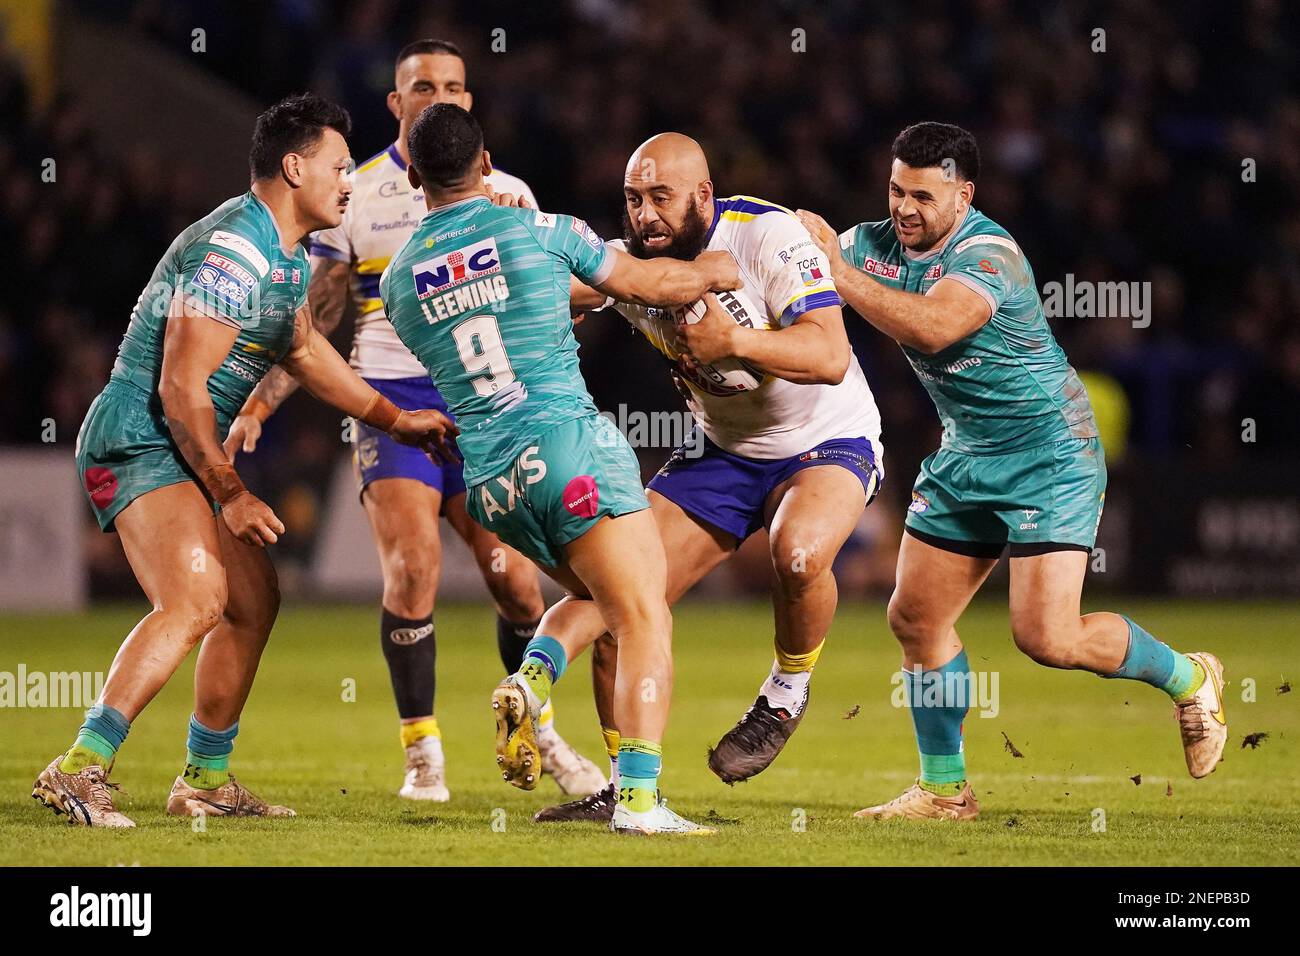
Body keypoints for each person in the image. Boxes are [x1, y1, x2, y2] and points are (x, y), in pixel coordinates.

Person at [33, 93, 457, 827]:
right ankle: (79, 767)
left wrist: (395, 419)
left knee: (252, 600)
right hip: (140, 435)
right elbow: (179, 386)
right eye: (337, 165)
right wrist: (229, 491)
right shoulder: (237, 249)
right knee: (196, 601)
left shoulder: (283, 255)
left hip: (173, 441)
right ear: (294, 167)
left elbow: (304, 352)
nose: (349, 179)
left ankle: (204, 778)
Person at [797, 121, 1226, 821]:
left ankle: (1190, 675)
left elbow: (934, 327)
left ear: (964, 196)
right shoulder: (866, 244)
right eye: (896, 190)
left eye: (924, 197)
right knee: (914, 617)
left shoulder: (991, 253)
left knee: (1046, 639)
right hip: (968, 450)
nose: (904, 208)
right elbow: (793, 266)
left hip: (1049, 453)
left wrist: (833, 273)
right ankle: (944, 791)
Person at [226, 39, 602, 802]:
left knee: (520, 590)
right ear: (395, 103)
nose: (440, 95)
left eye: (455, 85)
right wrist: (262, 402)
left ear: (469, 101)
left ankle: (536, 725)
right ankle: (423, 753)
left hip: (485, 415)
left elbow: (553, 301)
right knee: (413, 568)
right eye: (422, 84)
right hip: (394, 409)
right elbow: (319, 315)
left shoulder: (513, 194)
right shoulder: (352, 192)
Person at [382, 104, 742, 834]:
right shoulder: (544, 232)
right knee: (646, 618)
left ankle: (532, 680)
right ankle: (639, 803)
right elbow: (649, 285)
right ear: (486, 164)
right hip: (570, 447)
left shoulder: (395, 283)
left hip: (491, 482)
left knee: (602, 606)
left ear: (414, 174)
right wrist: (715, 267)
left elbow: (483, 320)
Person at [537, 133, 884, 823]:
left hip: (825, 436)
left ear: (703, 196)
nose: (646, 215)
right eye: (634, 199)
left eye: (661, 197)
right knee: (621, 601)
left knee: (800, 552)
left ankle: (787, 687)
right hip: (724, 450)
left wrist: (738, 342)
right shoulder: (632, 263)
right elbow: (548, 284)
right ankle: (627, 787)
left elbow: (830, 353)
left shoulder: (766, 234)